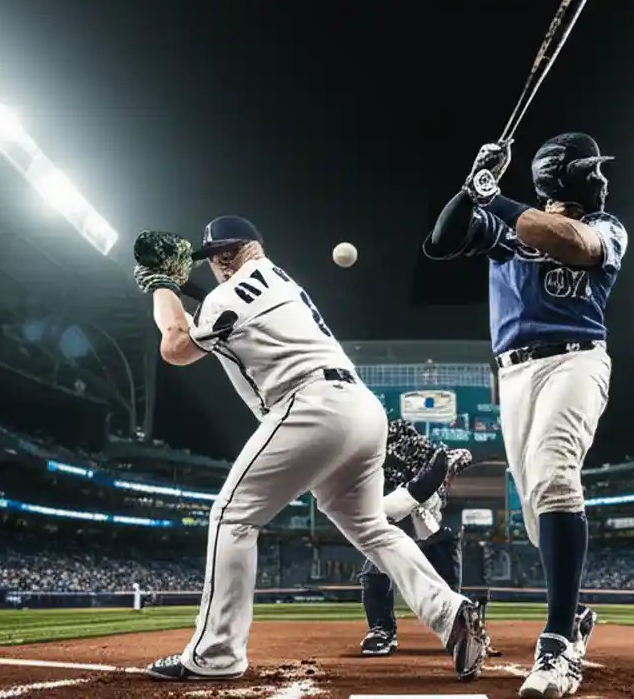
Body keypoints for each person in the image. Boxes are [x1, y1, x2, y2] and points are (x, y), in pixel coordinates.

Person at [134, 215, 488, 682]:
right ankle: (451, 612)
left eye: (213, 257)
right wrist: (186, 293)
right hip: (361, 410)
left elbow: (176, 346)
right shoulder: (279, 280)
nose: (212, 267)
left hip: (311, 406)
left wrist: (162, 285)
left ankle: (215, 654)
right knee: (373, 529)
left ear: (224, 255)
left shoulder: (227, 293)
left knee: (232, 516)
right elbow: (222, 323)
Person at [423, 133, 623, 698]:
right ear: (564, 178)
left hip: (576, 360)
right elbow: (441, 241)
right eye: (593, 170)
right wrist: (470, 188)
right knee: (536, 511)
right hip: (513, 375)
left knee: (557, 477)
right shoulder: (509, 224)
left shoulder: (606, 228)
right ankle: (576, 616)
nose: (604, 179)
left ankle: (557, 645)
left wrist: (498, 198)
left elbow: (569, 243)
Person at [360, 420, 473, 656]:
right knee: (374, 571)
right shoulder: (372, 463)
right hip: (393, 524)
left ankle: (460, 627)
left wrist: (449, 464)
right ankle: (382, 630)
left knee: (447, 577)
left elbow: (461, 455)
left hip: (429, 525)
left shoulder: (429, 456)